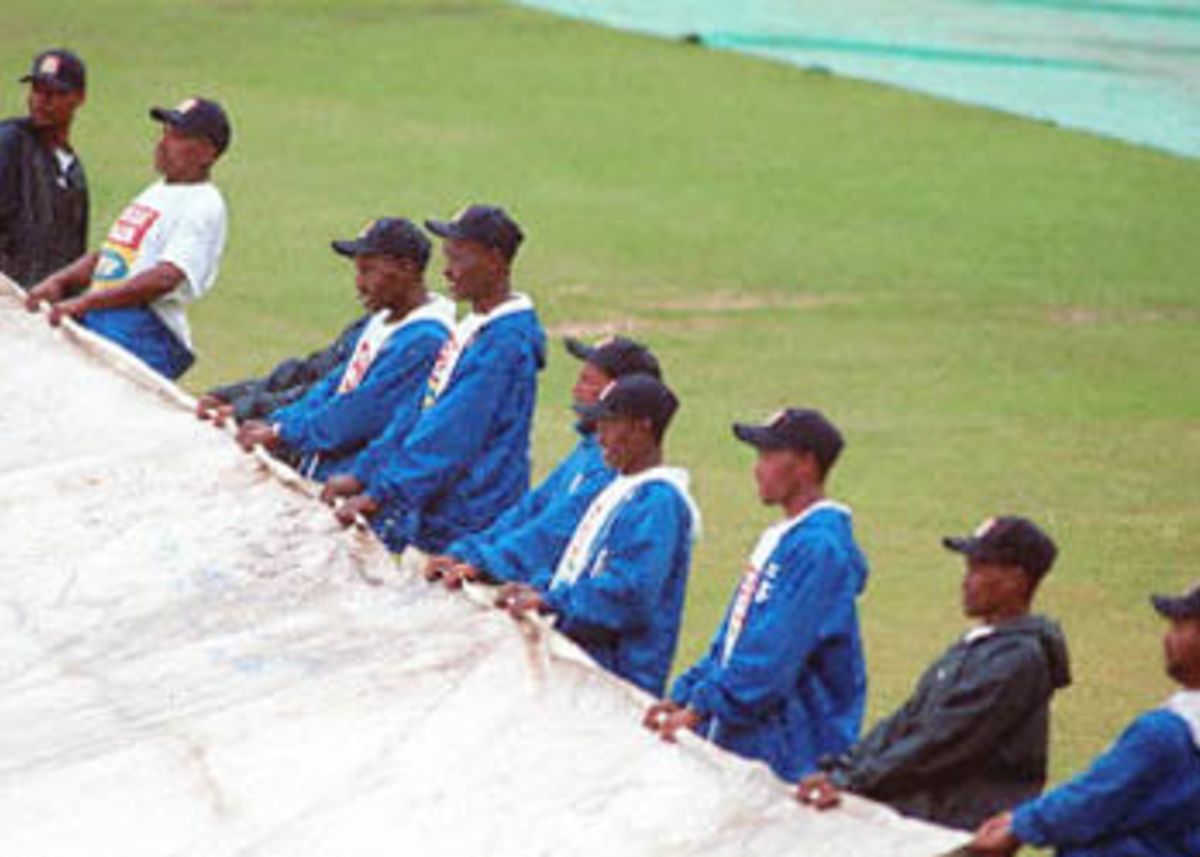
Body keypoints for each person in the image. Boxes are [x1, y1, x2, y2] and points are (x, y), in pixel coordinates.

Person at [798, 516, 1072, 831]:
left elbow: (940, 743)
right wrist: (842, 769)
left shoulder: (1017, 661)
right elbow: (908, 719)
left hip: (957, 828)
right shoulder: (980, 646)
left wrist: (850, 782)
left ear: (1017, 580)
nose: (967, 580)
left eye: (980, 569)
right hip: (931, 814)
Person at [644, 408, 868, 783]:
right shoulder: (787, 537)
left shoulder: (818, 549)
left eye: (768, 456)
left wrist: (701, 707)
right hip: (759, 737)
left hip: (790, 750)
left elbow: (773, 655)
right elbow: (736, 638)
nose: (757, 469)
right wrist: (685, 692)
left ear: (807, 465)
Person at [323, 204, 544, 553]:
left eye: (458, 258)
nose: (447, 271)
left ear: (494, 259)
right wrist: (365, 473)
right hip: (443, 507)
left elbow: (452, 433)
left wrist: (382, 493)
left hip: (470, 517)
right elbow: (419, 410)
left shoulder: (505, 343)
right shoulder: (475, 325)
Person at [496, 373, 700, 697]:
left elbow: (629, 593)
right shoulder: (622, 488)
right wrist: (542, 586)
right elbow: (583, 569)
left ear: (642, 427)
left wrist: (553, 601)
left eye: (610, 424)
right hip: (586, 668)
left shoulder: (658, 502)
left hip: (618, 679)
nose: (600, 436)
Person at [970, 582, 1200, 857]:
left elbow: (1093, 798)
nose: (1167, 638)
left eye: (1179, 626)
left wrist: (1019, 826)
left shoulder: (1167, 733)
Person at [427, 335, 661, 588]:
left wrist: (486, 564)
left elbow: (555, 531)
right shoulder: (587, 450)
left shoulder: (610, 465)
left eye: (587, 381)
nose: (575, 390)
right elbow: (531, 510)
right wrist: (468, 551)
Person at [25, 96, 230, 379]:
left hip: (148, 330)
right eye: (165, 133)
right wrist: (60, 282)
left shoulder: (203, 204)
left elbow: (166, 278)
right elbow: (111, 256)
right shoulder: (158, 191)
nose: (163, 143)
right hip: (110, 314)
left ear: (208, 152)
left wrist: (85, 303)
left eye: (178, 137)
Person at [233, 218, 454, 480]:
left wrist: (282, 433)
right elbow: (332, 387)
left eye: (368, 271)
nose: (359, 284)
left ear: (407, 268)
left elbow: (358, 415)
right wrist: (278, 422)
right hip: (320, 466)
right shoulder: (383, 320)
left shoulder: (426, 339)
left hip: (351, 482)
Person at [0, 49, 88, 287]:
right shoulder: (9, 142)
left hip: (46, 308)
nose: (42, 100)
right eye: (37, 90)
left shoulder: (73, 169)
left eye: (56, 92)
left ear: (79, 98)